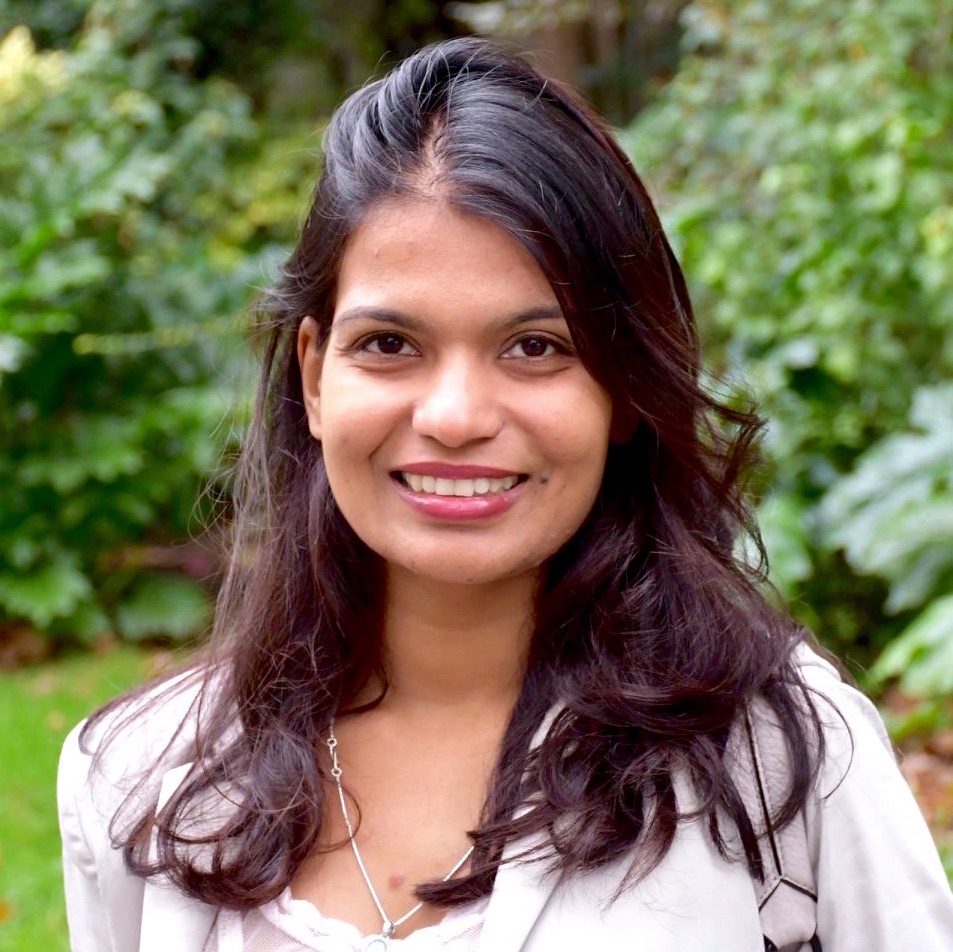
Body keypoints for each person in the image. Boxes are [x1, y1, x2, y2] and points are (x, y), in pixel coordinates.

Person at [58, 37, 953, 952]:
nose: (454, 417)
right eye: (389, 345)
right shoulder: (139, 784)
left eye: (535, 347)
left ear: (622, 391)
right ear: (316, 376)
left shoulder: (781, 761)